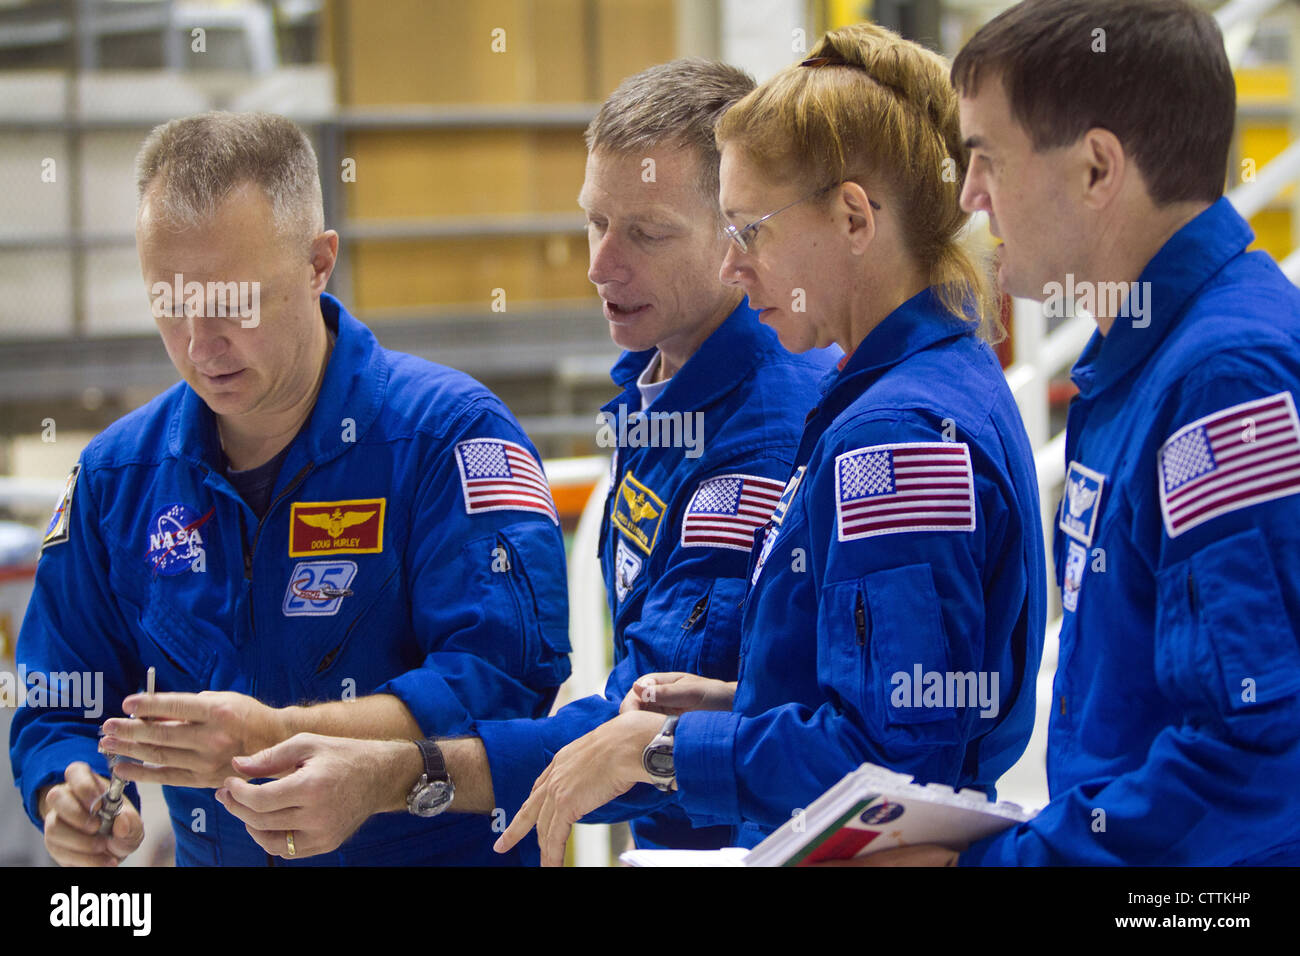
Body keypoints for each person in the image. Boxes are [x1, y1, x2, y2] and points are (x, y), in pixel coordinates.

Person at [213, 60, 838, 858]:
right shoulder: (669, 386)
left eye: (645, 234)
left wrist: (399, 774)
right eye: (594, 222)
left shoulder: (761, 432)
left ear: (741, 231)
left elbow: (650, 736)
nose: (599, 265)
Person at [493, 21, 1047, 865]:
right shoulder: (921, 379)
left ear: (854, 218)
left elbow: (892, 761)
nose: (735, 265)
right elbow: (883, 702)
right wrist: (742, 699)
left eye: (751, 230)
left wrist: (658, 750)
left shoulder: (894, 439)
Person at [8, 111, 571, 866]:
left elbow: (503, 687)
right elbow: (61, 692)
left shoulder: (450, 440)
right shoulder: (118, 479)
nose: (201, 346)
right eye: (170, 305)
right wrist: (64, 789)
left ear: (317, 262)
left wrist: (280, 736)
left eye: (234, 303)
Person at [865, 0, 1300, 866]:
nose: (969, 195)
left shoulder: (1223, 380)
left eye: (986, 157)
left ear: (1099, 168)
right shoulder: (1146, 360)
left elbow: (1260, 754)